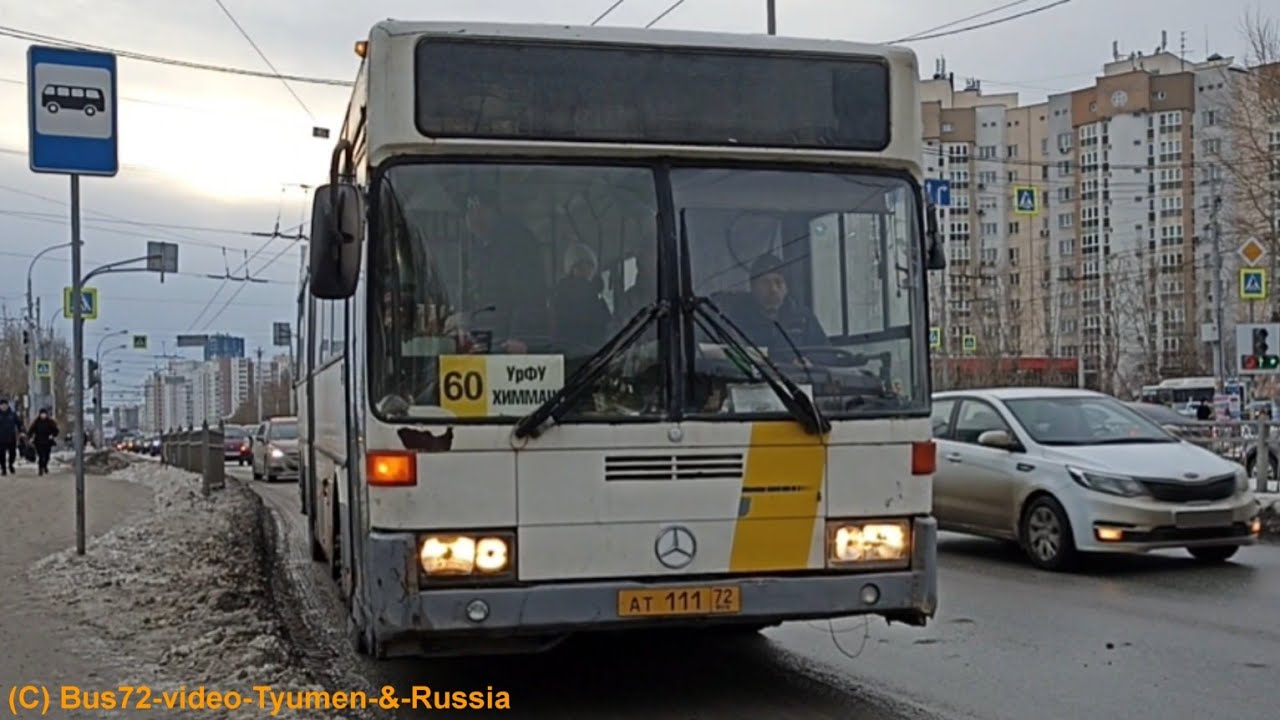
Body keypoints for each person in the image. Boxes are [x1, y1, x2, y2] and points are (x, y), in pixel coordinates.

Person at [463, 192, 551, 354]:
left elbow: (529, 294)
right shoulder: (481, 251)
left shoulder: (517, 242)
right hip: (487, 341)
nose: (475, 219)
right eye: (470, 213)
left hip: (510, 345)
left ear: (494, 212)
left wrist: (520, 337)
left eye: (480, 211)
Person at [723, 253, 830, 359]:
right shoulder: (738, 319)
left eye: (778, 282)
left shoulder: (803, 317)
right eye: (765, 283)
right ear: (753, 287)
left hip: (798, 375)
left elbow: (828, 354)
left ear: (786, 287)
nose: (773, 289)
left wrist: (809, 362)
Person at [550, 244, 613, 355]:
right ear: (571, 269)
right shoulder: (561, 298)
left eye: (589, 265)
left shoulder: (597, 297)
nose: (586, 269)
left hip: (597, 355)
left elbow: (608, 325)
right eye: (580, 265)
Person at [27, 408, 59, 476]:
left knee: (47, 456)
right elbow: (31, 431)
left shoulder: (50, 422)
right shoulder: (36, 422)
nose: (43, 415)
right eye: (42, 414)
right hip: (38, 441)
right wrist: (30, 437)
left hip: (48, 441)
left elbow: (56, 431)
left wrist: (52, 435)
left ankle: (45, 466)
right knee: (41, 456)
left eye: (44, 414)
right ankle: (40, 469)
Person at [0, 398, 22, 475]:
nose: (3, 406)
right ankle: (3, 469)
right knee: (1, 454)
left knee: (13, 454)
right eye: (2, 405)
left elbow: (19, 423)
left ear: (7, 405)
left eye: (5, 405)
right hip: (1, 438)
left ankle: (10, 464)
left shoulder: (12, 414)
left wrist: (22, 431)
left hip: (11, 437)